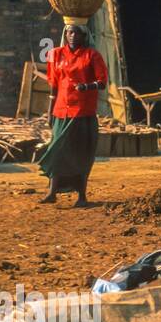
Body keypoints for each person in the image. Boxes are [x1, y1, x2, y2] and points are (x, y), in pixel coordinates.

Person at [37, 19, 108, 207]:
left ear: (85, 36)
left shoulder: (92, 56)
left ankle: (82, 196)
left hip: (83, 112)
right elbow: (54, 85)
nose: (73, 36)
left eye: (77, 32)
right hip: (61, 111)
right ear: (64, 34)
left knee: (82, 153)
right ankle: (52, 192)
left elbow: (102, 82)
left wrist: (86, 86)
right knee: (58, 150)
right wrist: (50, 111)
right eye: (69, 32)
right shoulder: (55, 55)